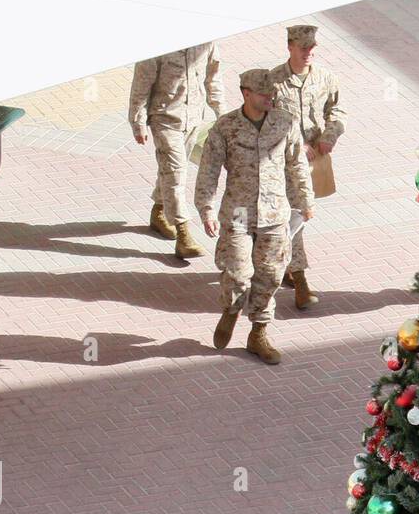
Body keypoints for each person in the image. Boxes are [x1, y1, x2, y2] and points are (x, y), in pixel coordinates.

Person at [194, 68, 313, 363]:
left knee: (271, 274)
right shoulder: (225, 128)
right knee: (237, 274)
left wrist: (305, 200)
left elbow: (297, 165)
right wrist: (206, 208)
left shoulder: (286, 123)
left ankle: (258, 333)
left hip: (274, 213)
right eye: (264, 93)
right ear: (246, 94)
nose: (270, 97)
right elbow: (208, 170)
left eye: (273, 92)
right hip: (237, 213)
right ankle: (231, 309)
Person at [268, 25, 345, 309]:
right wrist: (295, 145)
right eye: (303, 48)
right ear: (290, 46)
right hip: (283, 163)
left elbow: (336, 110)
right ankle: (300, 280)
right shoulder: (274, 81)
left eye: (312, 48)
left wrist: (329, 136)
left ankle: (282, 264)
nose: (308, 53)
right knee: (296, 216)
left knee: (298, 216)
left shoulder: (325, 78)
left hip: (314, 162)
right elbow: (265, 120)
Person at [129, 44, 225, 259]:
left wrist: (223, 115)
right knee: (176, 173)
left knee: (171, 171)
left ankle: (159, 211)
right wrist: (138, 122)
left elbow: (213, 78)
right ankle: (183, 235)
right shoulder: (158, 44)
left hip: (193, 119)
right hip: (165, 119)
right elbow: (141, 85)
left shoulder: (206, 43)